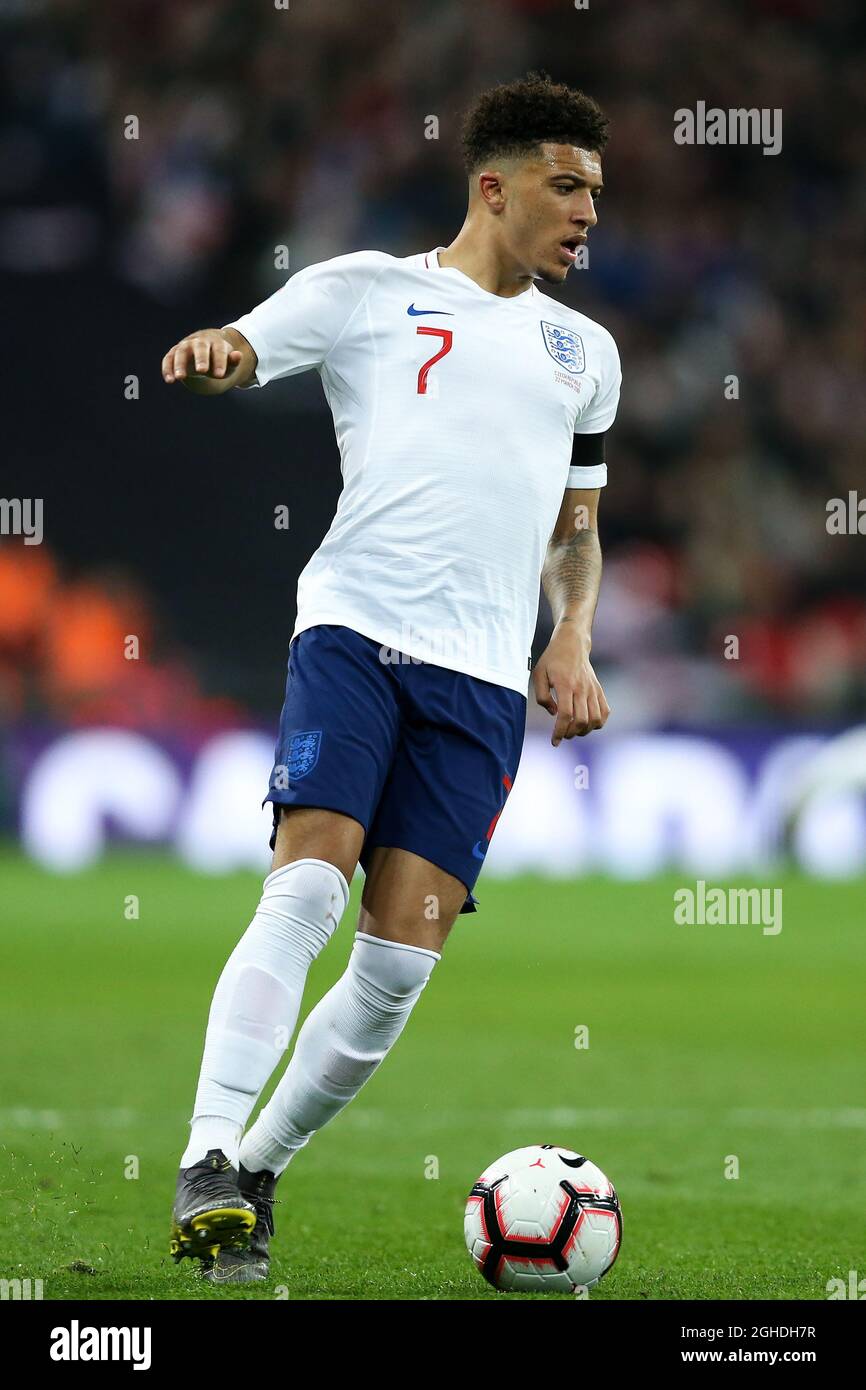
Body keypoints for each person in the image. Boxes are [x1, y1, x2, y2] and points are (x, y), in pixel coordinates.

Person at [160, 71, 620, 1283]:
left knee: (397, 964)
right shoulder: (365, 292)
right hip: (356, 632)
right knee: (306, 881)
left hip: (479, 682)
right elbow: (244, 350)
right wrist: (217, 351)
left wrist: (568, 637)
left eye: (595, 194)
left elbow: (576, 531)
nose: (585, 214)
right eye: (564, 188)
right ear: (493, 186)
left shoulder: (588, 354)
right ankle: (205, 1147)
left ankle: (250, 1176)